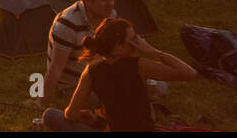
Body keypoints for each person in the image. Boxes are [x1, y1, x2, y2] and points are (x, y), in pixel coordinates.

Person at [44, 18, 196, 132]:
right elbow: (189, 73)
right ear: (117, 47)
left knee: (50, 115)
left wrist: (90, 116)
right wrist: (154, 52)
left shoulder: (90, 71)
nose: (139, 42)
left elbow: (70, 115)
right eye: (133, 39)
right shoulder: (139, 65)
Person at [42, 0, 118, 113]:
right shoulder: (67, 24)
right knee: (104, 102)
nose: (110, 4)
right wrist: (40, 100)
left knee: (157, 85)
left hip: (99, 74)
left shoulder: (110, 15)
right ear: (87, 0)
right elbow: (56, 68)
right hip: (74, 83)